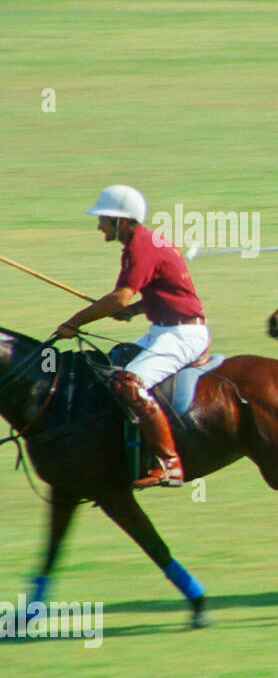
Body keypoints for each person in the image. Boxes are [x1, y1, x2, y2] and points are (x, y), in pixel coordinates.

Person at [55, 185, 209, 488]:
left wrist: (74, 322)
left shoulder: (142, 247)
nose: (99, 226)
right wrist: (137, 310)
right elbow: (165, 290)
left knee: (129, 384)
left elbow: (119, 298)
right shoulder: (143, 243)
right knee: (111, 366)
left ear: (121, 221)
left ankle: (170, 464)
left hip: (183, 335)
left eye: (104, 219)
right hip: (164, 329)